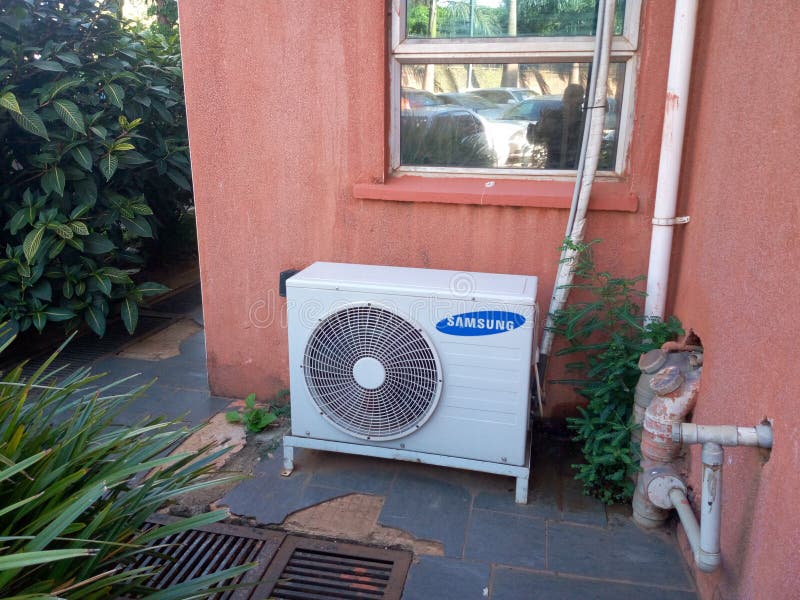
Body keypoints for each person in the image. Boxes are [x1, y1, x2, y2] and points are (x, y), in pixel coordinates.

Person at [527, 83, 586, 169]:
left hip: (578, 168)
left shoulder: (585, 120)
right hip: (553, 168)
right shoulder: (553, 117)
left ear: (582, 101)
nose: (572, 101)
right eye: (570, 96)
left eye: (577, 97)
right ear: (565, 99)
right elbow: (534, 139)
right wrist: (543, 122)